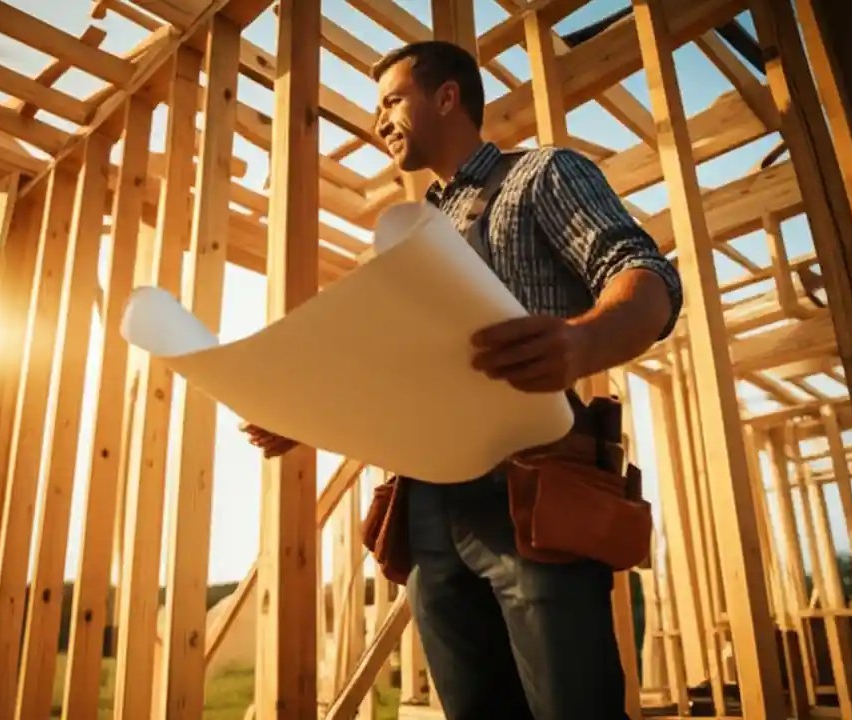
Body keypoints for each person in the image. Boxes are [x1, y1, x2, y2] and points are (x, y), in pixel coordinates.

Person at [244, 40, 682, 719]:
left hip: (531, 488)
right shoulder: (415, 235)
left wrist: (581, 340)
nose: (378, 120)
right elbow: (398, 373)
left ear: (447, 97)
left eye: (391, 100)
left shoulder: (544, 174)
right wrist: (305, 412)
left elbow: (645, 274)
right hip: (427, 509)